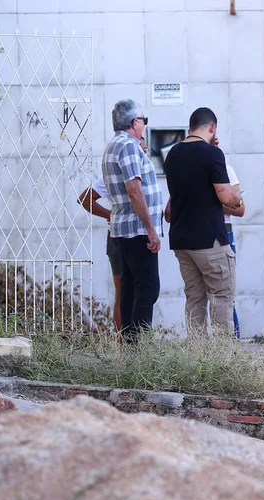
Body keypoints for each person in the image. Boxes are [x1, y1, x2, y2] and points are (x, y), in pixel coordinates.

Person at [163, 107, 242, 338]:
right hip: (210, 242)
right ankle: (221, 363)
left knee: (194, 300)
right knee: (221, 301)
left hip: (182, 241)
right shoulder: (212, 155)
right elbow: (226, 197)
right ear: (212, 127)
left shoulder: (173, 154)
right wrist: (238, 198)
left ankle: (197, 359)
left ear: (191, 127)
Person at [103, 99, 163, 342]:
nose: (144, 125)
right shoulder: (128, 146)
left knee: (129, 290)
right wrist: (151, 229)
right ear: (134, 122)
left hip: (124, 229)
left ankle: (129, 347)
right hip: (136, 230)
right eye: (143, 120)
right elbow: (134, 190)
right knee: (147, 288)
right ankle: (138, 348)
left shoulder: (114, 145)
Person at [78, 137, 149, 333]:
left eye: (145, 151)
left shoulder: (146, 175)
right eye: (140, 151)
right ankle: (122, 343)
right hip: (120, 238)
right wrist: (110, 215)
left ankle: (137, 341)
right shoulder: (116, 176)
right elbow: (84, 198)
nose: (143, 155)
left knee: (142, 291)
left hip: (141, 235)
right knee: (123, 292)